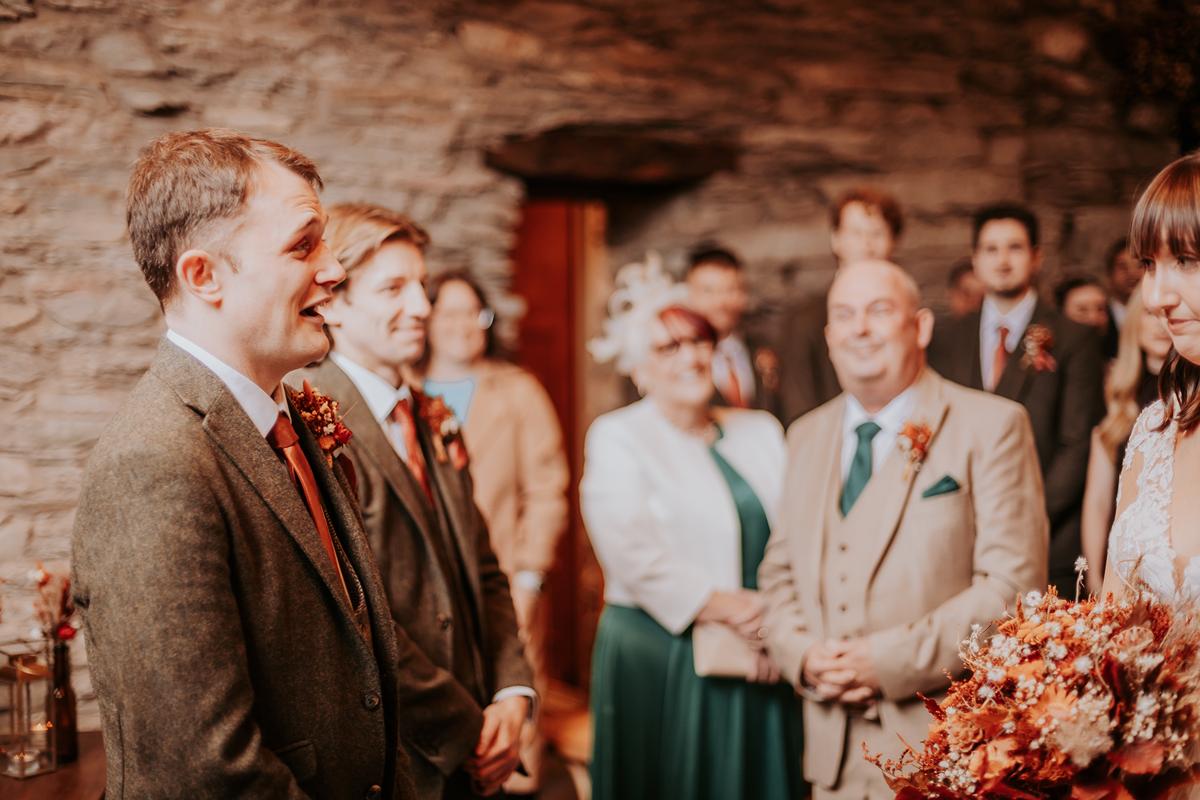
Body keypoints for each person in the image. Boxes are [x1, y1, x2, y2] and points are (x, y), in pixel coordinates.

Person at [71, 130, 423, 798]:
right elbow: (205, 771)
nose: (334, 270)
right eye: (303, 244)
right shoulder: (153, 463)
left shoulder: (286, 422)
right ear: (204, 276)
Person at [759, 259, 1047, 799]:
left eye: (878, 310)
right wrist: (803, 654)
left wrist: (888, 661)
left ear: (921, 327)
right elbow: (777, 573)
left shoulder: (993, 426)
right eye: (844, 315)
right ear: (828, 337)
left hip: (943, 751)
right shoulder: (804, 435)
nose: (859, 328)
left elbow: (1013, 588)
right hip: (831, 759)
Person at [296, 204, 534, 798]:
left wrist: (511, 693)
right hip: (398, 752)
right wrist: (468, 728)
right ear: (334, 304)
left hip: (481, 729)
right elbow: (355, 615)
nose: (423, 308)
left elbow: (484, 567)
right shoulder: (309, 424)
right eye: (394, 288)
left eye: (421, 286)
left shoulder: (429, 414)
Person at [581, 257, 804, 800]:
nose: (692, 357)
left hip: (766, 649)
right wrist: (744, 614)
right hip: (663, 650)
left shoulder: (761, 431)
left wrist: (782, 623)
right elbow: (632, 553)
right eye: (669, 347)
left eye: (701, 342)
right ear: (639, 369)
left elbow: (799, 534)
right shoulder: (618, 437)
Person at [421, 269, 570, 795]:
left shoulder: (518, 389)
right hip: (427, 588)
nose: (463, 326)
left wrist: (530, 575)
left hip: (506, 576)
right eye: (449, 313)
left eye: (473, 314)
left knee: (513, 700)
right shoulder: (406, 391)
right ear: (428, 318)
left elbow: (548, 488)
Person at [928, 203, 1105, 597]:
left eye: (1014, 248)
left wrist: (1023, 515)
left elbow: (1077, 445)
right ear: (975, 260)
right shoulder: (948, 338)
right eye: (991, 250)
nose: (1002, 260)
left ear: (1036, 257)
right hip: (960, 539)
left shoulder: (1074, 338)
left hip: (1045, 534)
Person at [1104, 152, 1200, 604]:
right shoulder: (1154, 430)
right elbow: (1111, 615)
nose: (1155, 297)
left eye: (1185, 259)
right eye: (1149, 264)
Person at [778, 187, 904, 425]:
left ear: (893, 242)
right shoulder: (805, 321)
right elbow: (798, 407)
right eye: (856, 233)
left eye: (877, 233)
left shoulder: (907, 316)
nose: (867, 244)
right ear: (836, 239)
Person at [1081, 287, 1170, 594]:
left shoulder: (1188, 396)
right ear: (1133, 322)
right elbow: (1097, 501)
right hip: (1123, 569)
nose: (1160, 323)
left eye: (1164, 314)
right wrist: (1094, 576)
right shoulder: (1116, 398)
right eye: (1149, 313)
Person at [684, 245, 782, 419]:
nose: (721, 302)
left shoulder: (765, 348)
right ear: (689, 295)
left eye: (731, 290)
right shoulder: (681, 359)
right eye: (709, 291)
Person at [1105, 236, 1142, 330]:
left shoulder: (1163, 319)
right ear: (1109, 274)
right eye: (1122, 267)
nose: (1132, 273)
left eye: (1139, 265)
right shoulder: (1100, 318)